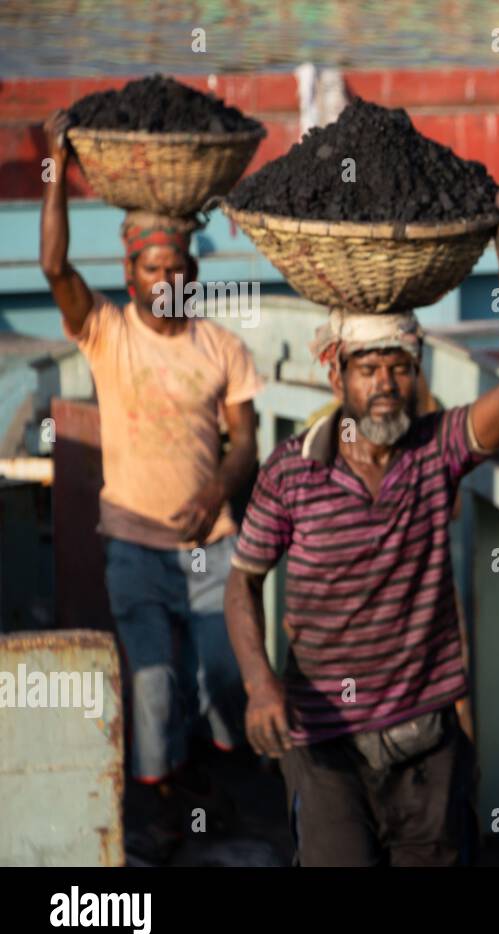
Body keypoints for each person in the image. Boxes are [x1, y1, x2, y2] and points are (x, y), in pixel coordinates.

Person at [223, 184, 499, 866]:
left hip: (427, 744)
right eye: (368, 369)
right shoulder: (291, 472)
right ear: (337, 376)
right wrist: (259, 684)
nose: (386, 385)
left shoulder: (438, 449)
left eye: (400, 367)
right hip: (325, 744)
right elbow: (242, 580)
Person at [40, 109, 263, 862]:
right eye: (149, 267)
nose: (163, 278)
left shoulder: (221, 347)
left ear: (190, 274)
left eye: (175, 267)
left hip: (210, 549)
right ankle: (160, 809)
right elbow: (53, 270)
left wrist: (220, 488)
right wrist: (53, 168)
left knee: (226, 675)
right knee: (155, 681)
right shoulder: (107, 333)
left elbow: (247, 441)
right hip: (135, 544)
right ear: (128, 274)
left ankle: (222, 792)